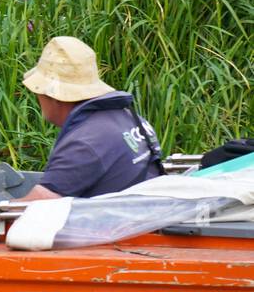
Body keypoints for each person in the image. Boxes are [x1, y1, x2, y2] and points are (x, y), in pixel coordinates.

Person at [17, 36, 162, 200]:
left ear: (54, 96)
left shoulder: (85, 142)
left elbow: (40, 203)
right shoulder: (130, 118)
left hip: (118, 223)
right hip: (141, 214)